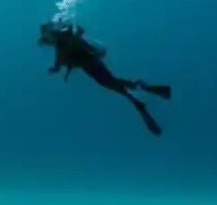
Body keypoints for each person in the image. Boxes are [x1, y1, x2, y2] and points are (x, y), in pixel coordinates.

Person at [38, 21, 171, 136]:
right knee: (111, 83)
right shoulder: (60, 42)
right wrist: (55, 68)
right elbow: (60, 58)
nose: (48, 42)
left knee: (111, 83)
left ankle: (139, 96)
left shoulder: (64, 36)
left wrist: (57, 66)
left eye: (47, 38)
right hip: (90, 65)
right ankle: (138, 96)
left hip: (92, 64)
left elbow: (75, 36)